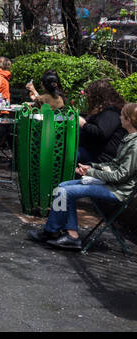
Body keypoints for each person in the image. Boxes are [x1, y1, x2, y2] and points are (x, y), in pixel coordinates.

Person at [28, 102, 137, 250]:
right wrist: (92, 166)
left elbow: (120, 176)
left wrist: (91, 172)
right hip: (112, 184)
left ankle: (52, 232)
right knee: (62, 186)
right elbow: (115, 165)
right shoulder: (129, 138)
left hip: (117, 191)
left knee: (65, 192)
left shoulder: (134, 145)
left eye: (122, 115)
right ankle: (68, 234)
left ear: (129, 120)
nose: (119, 117)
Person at [78, 81, 125, 163]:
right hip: (90, 152)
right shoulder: (106, 110)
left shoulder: (112, 112)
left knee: (67, 155)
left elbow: (101, 133)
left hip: (99, 159)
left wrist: (83, 124)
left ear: (98, 96)